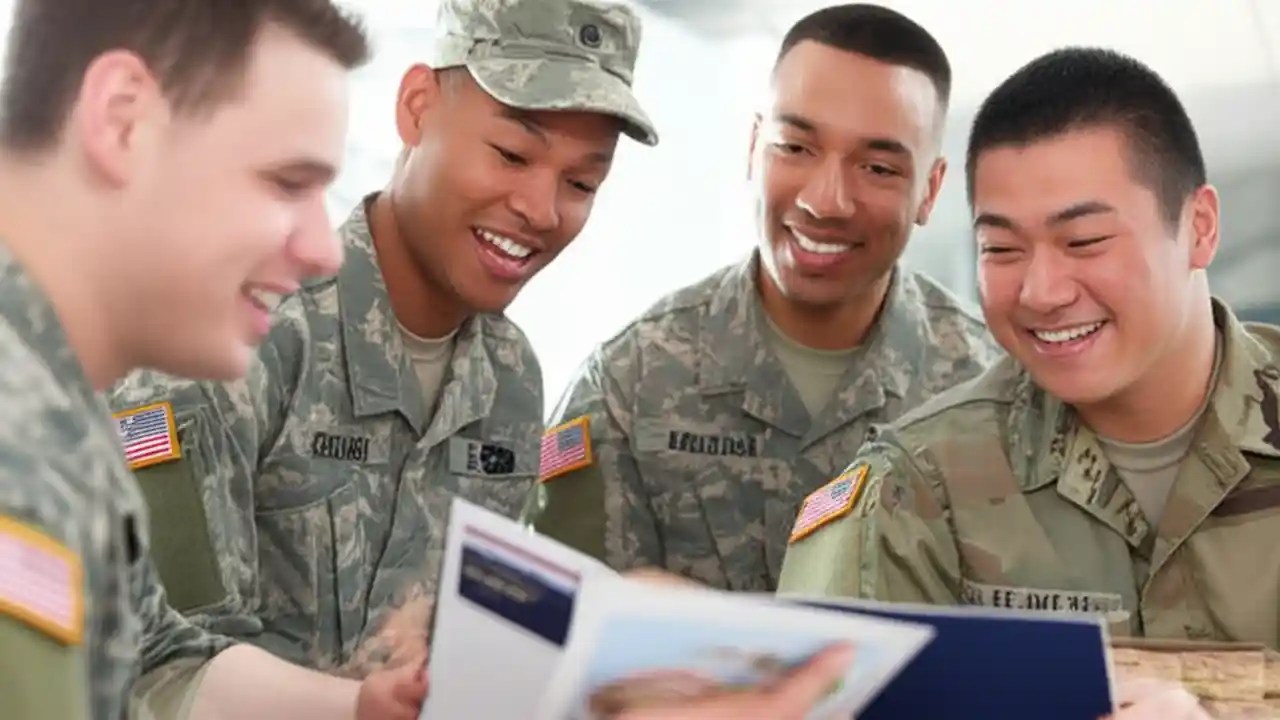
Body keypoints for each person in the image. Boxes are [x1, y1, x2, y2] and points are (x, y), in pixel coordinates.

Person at [106, 0, 658, 679]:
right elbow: (160, 668)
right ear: (417, 105)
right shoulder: (238, 335)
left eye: (582, 182)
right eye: (512, 154)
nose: (542, 211)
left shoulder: (509, 376)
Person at [777, 45, 1280, 657]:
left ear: (1198, 227)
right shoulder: (915, 493)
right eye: (1002, 250)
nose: (1041, 294)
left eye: (1084, 241)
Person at [0, 1, 427, 718]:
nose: (326, 248)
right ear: (124, 120)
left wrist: (363, 707)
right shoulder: (23, 451)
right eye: (288, 183)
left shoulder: (63, 419)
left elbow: (151, 649)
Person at [523, 3, 1000, 592]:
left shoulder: (986, 397)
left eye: (877, 167)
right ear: (754, 148)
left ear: (929, 191)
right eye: (795, 148)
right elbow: (557, 634)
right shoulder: (633, 382)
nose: (826, 201)